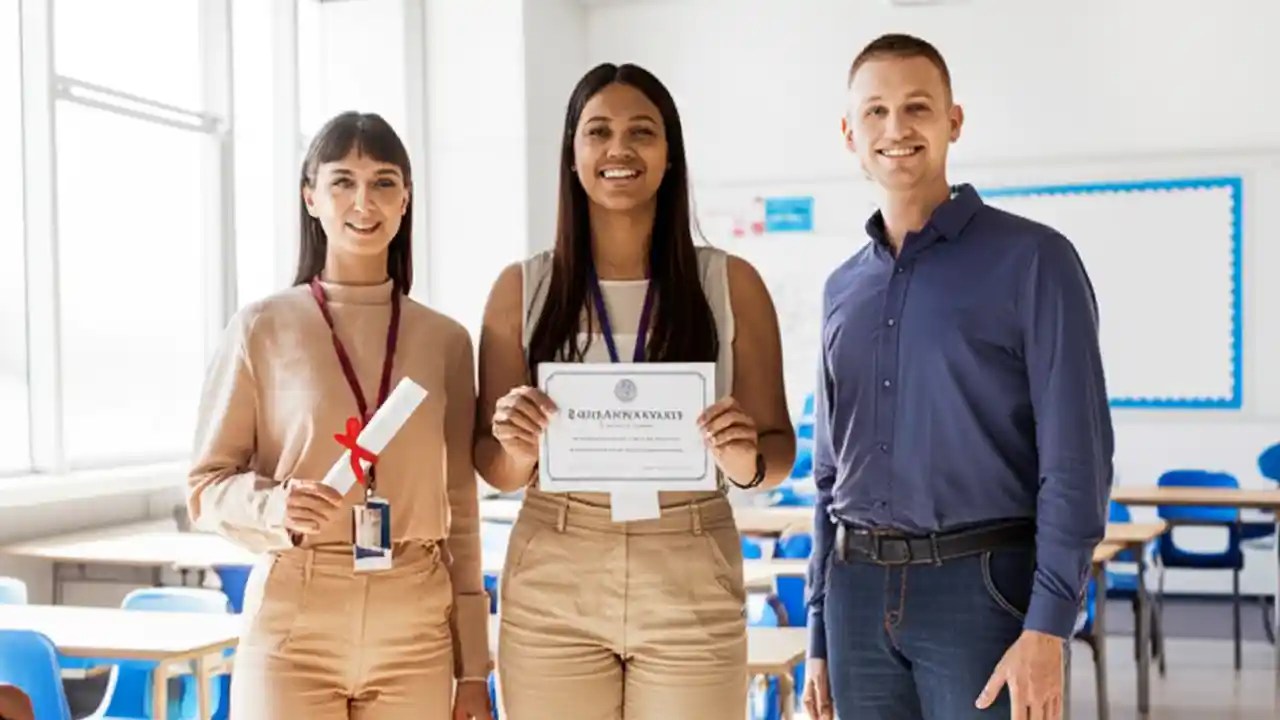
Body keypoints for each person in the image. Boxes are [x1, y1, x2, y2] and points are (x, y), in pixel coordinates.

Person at [800, 34, 1114, 720]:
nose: (896, 128)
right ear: (850, 133)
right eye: (876, 112)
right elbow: (829, 474)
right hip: (854, 593)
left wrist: (1048, 625)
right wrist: (819, 631)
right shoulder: (840, 290)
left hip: (982, 589)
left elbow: (1077, 461)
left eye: (917, 107)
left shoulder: (1035, 261)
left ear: (954, 121)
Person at [473, 62, 795, 719]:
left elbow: (776, 450)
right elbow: (496, 468)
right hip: (557, 565)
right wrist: (516, 445)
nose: (619, 149)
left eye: (641, 132)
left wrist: (743, 460)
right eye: (598, 132)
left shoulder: (732, 285)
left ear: (670, 154)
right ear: (572, 154)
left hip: (689, 556)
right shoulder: (521, 290)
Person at [187, 111, 492, 720]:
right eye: (342, 181)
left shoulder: (446, 341)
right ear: (310, 197)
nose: (364, 201)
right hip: (296, 616)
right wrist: (275, 506)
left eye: (383, 181)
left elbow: (461, 511)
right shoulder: (261, 327)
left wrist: (473, 670)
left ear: (406, 199)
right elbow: (205, 488)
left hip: (416, 622)